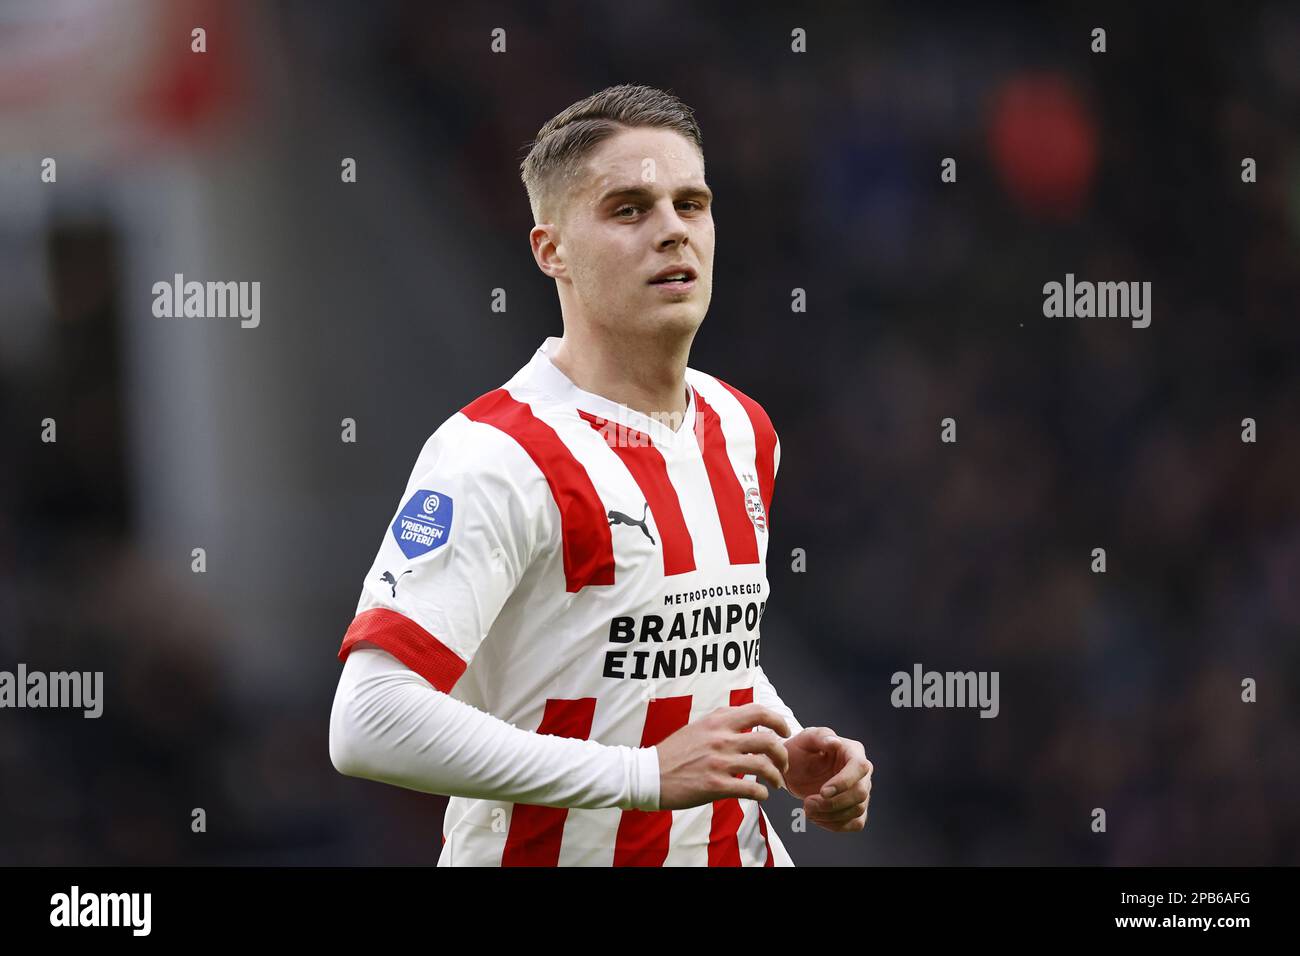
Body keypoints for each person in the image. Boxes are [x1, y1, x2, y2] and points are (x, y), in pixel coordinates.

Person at [329, 84, 873, 866]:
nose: (672, 232)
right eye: (629, 209)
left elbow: (685, 642)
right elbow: (369, 720)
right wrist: (643, 776)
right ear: (551, 251)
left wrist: (783, 742)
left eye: (692, 204)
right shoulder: (494, 454)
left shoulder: (743, 428)